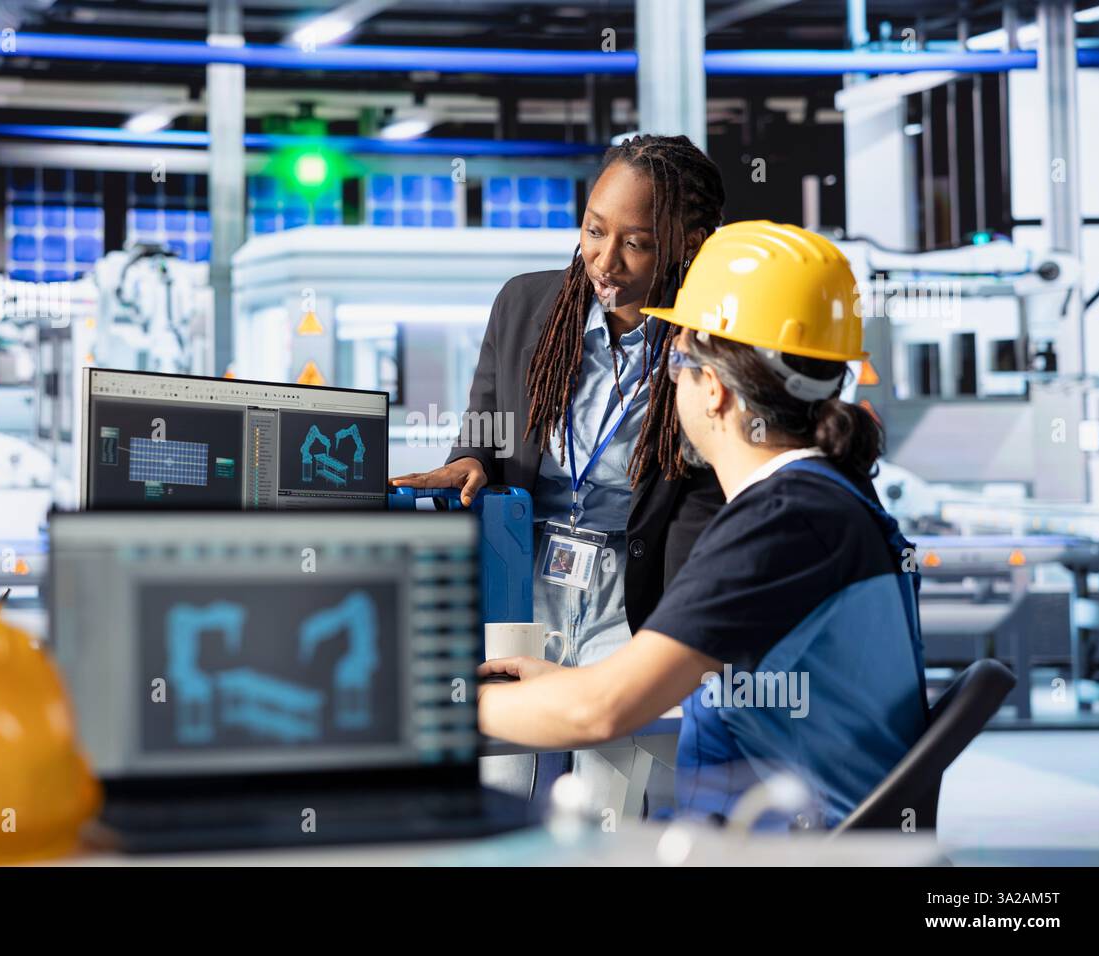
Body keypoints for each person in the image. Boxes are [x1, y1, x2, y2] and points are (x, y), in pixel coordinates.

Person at [477, 221, 930, 828]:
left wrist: (436, 707)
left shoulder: (780, 525)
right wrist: (566, 683)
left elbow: (600, 715)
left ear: (712, 388)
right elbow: (641, 683)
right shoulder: (827, 499)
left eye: (675, 364)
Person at [391, 135, 727, 808]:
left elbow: (708, 489)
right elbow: (484, 426)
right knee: (504, 788)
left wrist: (685, 627)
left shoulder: (710, 343)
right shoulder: (526, 306)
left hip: (632, 591)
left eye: (637, 243)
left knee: (613, 801)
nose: (604, 260)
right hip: (528, 581)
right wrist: (467, 463)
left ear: (689, 243)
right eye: (594, 231)